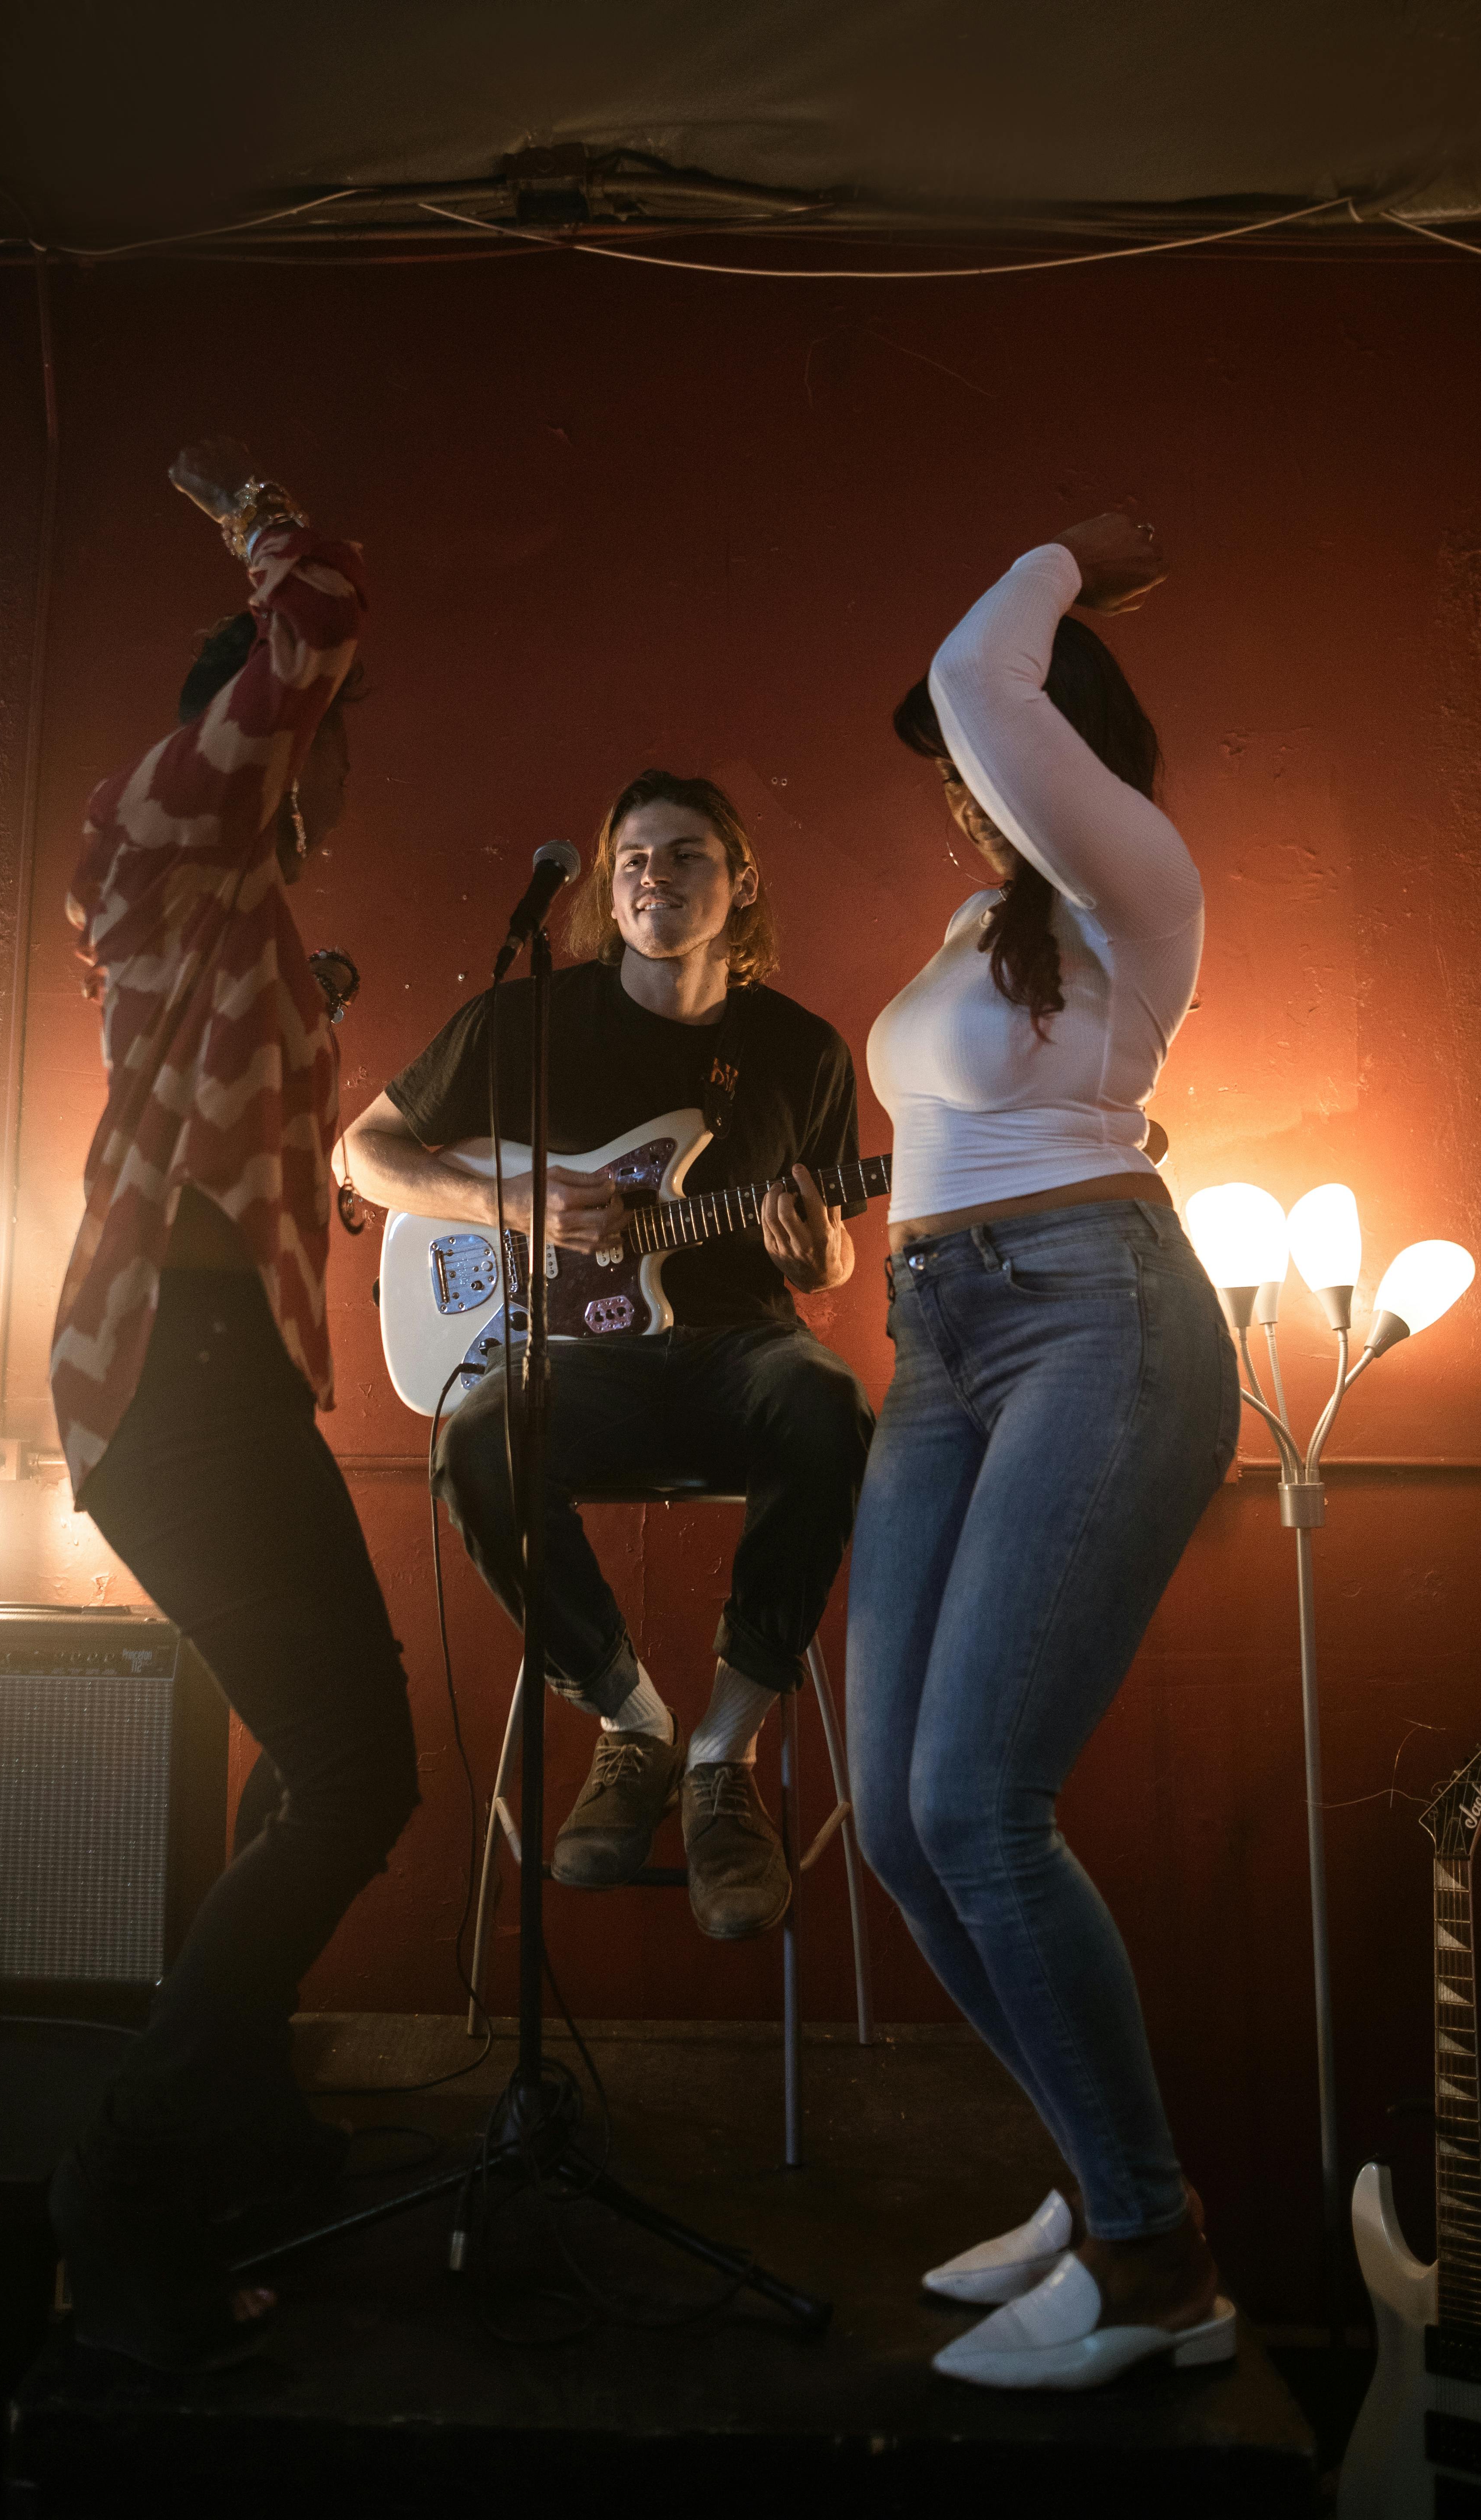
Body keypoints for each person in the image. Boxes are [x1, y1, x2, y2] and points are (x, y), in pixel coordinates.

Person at [846, 513, 1241, 2390]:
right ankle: (1100, 2180)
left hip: (1097, 1317)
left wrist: (1063, 552)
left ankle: (1157, 2265)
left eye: (971, 763)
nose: (954, 792)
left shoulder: (1134, 876)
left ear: (1050, 735)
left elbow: (970, 669)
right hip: (938, 1343)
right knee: (896, 1822)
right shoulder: (982, 929)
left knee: (979, 1802)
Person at [47, 437, 419, 2369]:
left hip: (219, 1386)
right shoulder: (163, 843)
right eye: (309, 731)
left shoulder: (235, 918)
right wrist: (252, 509)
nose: (331, 761)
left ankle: (249, 2131)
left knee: (313, 1757)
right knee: (361, 1772)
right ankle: (122, 2176)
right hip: (171, 1386)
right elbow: (317, 611)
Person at [343, 771, 874, 1938]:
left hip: (739, 1348)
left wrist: (822, 1256)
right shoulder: (527, 1020)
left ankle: (724, 1753)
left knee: (827, 1402)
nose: (652, 877)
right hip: (577, 1357)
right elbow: (362, 1154)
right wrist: (514, 1204)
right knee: (479, 1439)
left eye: (685, 855)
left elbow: (825, 1257)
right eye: (632, 858)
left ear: (741, 883)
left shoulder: (803, 1051)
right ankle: (635, 1724)